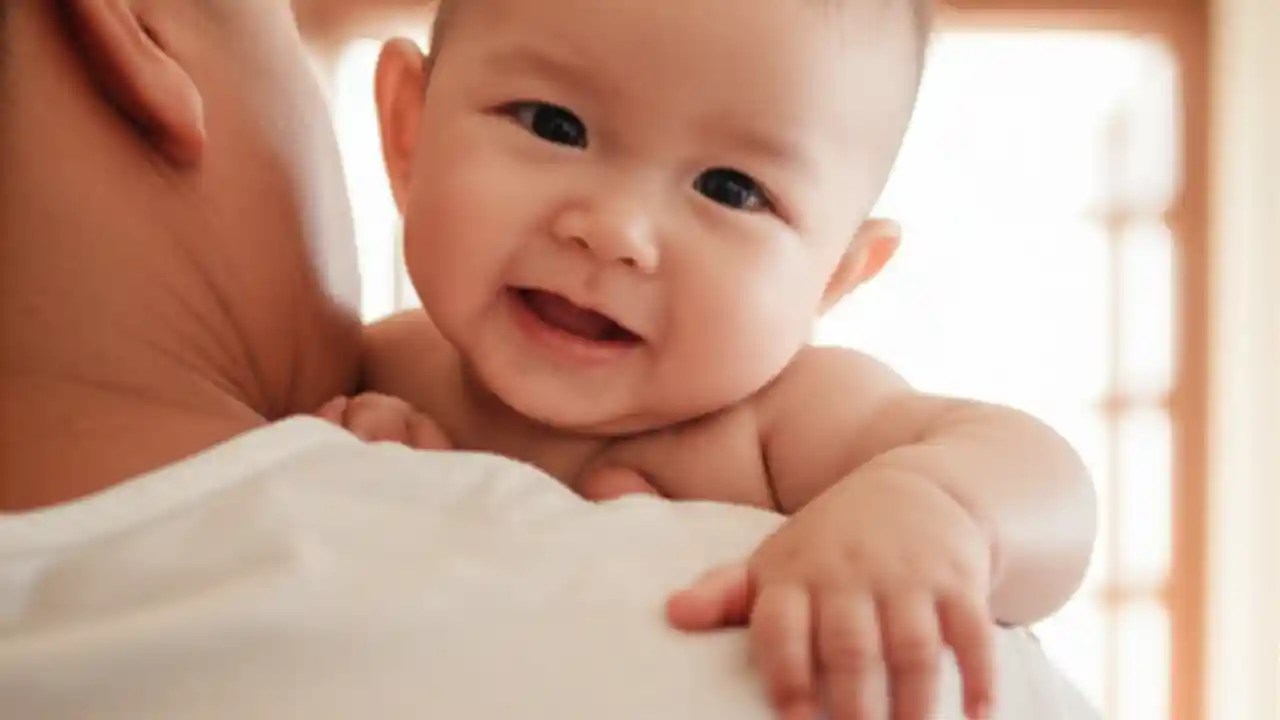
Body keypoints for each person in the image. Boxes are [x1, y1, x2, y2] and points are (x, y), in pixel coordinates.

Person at [0, 1, 1097, 719]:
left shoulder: (788, 414)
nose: (613, 230)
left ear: (833, 280)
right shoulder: (369, 376)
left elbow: (1037, 474)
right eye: (552, 124)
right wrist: (362, 454)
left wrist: (929, 510)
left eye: (729, 189)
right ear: (408, 128)